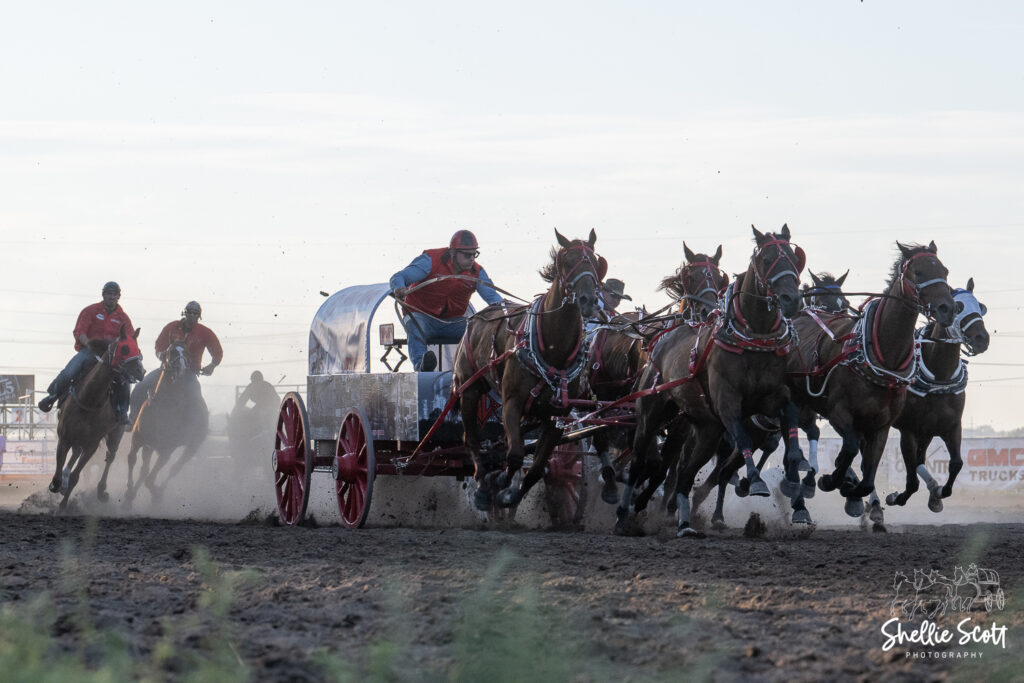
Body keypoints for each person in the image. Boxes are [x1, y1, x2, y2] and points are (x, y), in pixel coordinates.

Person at [389, 229, 503, 371]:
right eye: (467, 255)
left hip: (452, 323)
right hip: (422, 318)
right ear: (453, 253)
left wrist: (507, 311)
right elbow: (398, 277)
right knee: (415, 325)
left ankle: (479, 368)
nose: (472, 259)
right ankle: (422, 367)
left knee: (476, 328)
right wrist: (399, 288)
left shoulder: (477, 272)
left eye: (474, 254)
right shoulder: (430, 261)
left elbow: (494, 300)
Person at [37, 281, 136, 424]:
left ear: (118, 297)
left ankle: (122, 412)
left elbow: (130, 339)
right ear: (104, 295)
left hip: (112, 357)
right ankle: (52, 397)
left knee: (125, 380)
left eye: (114, 294)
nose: (111, 297)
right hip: (90, 351)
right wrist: (88, 344)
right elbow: (80, 332)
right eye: (109, 294)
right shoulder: (90, 311)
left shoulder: (123, 318)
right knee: (69, 372)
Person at [132, 301, 223, 410]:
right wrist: (161, 354)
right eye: (189, 312)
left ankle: (202, 426)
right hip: (166, 371)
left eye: (195, 313)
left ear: (199, 316)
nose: (192, 315)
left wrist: (212, 365)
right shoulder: (171, 327)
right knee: (141, 386)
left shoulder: (205, 333)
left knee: (199, 404)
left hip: (190, 374)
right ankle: (132, 420)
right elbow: (159, 345)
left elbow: (217, 351)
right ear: (184, 313)